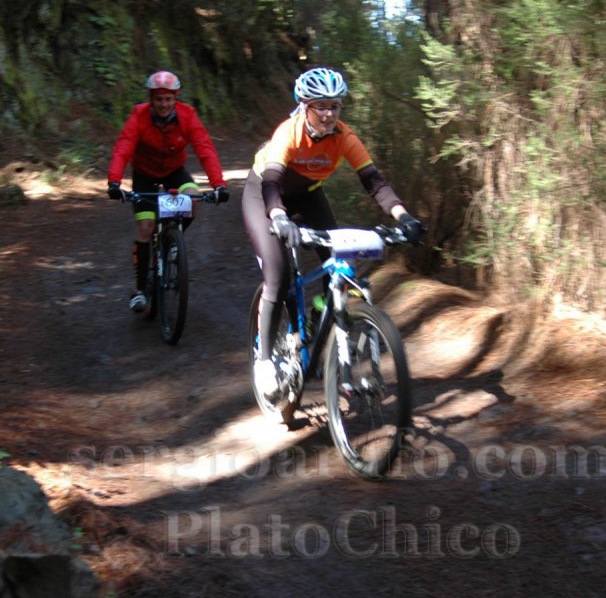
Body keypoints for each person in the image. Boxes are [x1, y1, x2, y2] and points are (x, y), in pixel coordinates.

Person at [242, 66, 423, 395]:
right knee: (279, 276)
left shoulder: (344, 138)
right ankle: (266, 361)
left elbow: (374, 182)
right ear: (305, 107)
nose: (328, 114)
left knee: (342, 262)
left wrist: (404, 217)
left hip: (309, 195)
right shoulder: (290, 132)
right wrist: (280, 217)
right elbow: (271, 183)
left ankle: (320, 313)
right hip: (264, 195)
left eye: (334, 106)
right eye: (320, 106)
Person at [107, 70, 229, 312]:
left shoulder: (187, 115)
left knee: (194, 198)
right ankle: (140, 290)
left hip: (174, 170)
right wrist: (114, 181)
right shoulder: (139, 116)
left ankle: (173, 239)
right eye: (159, 99)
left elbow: (204, 148)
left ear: (175, 99)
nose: (164, 104)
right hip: (144, 175)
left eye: (168, 99)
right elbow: (124, 147)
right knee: (145, 227)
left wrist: (218, 184)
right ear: (151, 99)